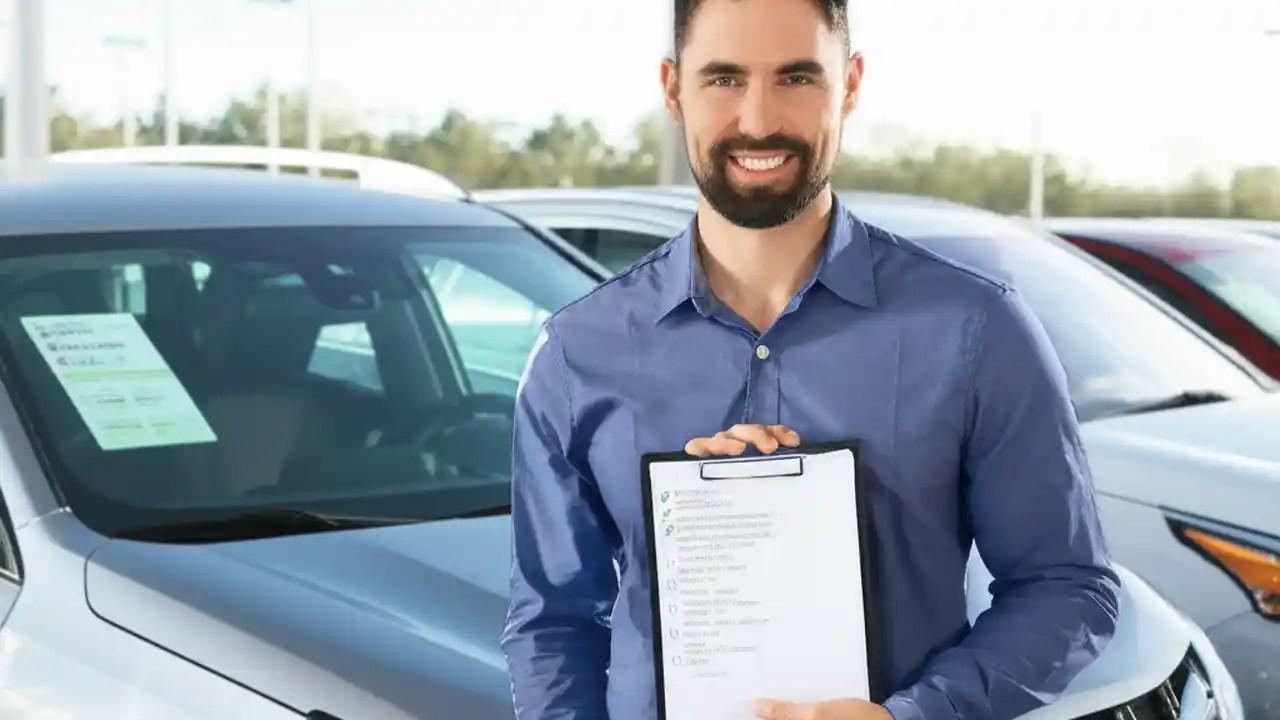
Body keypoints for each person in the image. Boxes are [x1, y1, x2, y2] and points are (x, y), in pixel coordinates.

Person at [501, 0, 1121, 718]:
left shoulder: (976, 329)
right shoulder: (579, 353)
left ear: (850, 84)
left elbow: (1068, 586)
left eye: (796, 78)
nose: (759, 120)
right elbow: (553, 623)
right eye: (724, 79)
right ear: (673, 88)